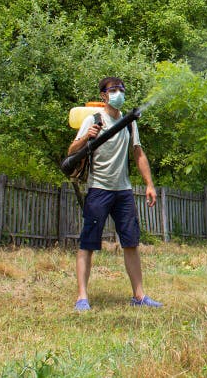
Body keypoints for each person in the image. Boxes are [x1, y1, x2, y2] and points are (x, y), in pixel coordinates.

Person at [68, 76, 162, 311]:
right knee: (88, 243)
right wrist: (87, 137)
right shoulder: (94, 119)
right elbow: (71, 151)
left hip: (124, 191)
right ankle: (82, 297)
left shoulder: (130, 122)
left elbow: (138, 153)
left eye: (121, 89)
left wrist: (149, 184)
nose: (118, 92)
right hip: (98, 188)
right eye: (113, 89)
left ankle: (139, 296)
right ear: (104, 95)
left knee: (131, 242)